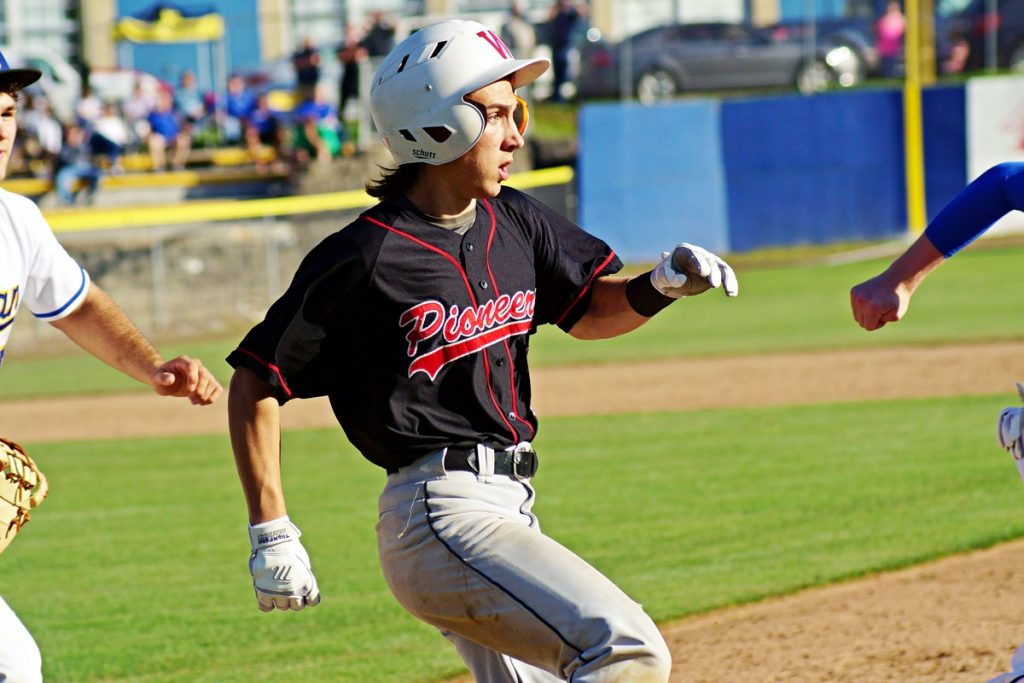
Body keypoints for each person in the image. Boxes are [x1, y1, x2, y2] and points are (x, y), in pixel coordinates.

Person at [226, 19, 737, 683]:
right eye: (496, 114)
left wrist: (661, 284)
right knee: (625, 649)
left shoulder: (515, 219)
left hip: (506, 503)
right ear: (435, 124)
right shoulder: (365, 256)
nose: (516, 135)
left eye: (513, 112)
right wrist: (272, 529)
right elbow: (258, 378)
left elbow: (586, 310)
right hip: (439, 512)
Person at [0, 50, 223, 683]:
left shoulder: (15, 221)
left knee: (15, 665)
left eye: (9, 112)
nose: (1, 130)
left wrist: (152, 367)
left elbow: (78, 305)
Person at [546, 0, 587, 102]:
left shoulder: (571, 14)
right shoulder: (557, 13)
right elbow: (550, 17)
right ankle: (557, 97)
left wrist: (574, 5)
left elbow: (582, 12)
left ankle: (566, 97)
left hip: (567, 48)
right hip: (557, 47)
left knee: (567, 74)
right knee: (558, 74)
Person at [53, 121, 102, 205]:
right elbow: (65, 158)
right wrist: (72, 144)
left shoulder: (85, 143)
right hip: (71, 168)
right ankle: (67, 201)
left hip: (86, 167)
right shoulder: (64, 145)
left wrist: (79, 142)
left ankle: (90, 196)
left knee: (98, 173)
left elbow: (90, 153)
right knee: (62, 176)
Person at [147, 88, 191, 171]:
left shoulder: (175, 113)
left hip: (174, 137)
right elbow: (149, 129)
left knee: (184, 140)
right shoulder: (153, 114)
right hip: (160, 137)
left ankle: (177, 165)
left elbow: (183, 127)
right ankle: (159, 167)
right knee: (155, 141)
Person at [335, 23, 368, 127]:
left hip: (359, 79)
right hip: (347, 79)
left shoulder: (361, 43)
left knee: (363, 104)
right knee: (343, 106)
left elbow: (361, 55)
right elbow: (341, 57)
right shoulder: (342, 45)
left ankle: (365, 128)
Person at [875, 0, 905, 79]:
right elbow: (880, 31)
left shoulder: (900, 19)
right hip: (885, 49)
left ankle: (891, 78)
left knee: (892, 67)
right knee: (886, 67)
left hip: (894, 49)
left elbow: (898, 32)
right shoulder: (885, 19)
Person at [291, 36, 321, 104]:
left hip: (312, 83)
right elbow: (295, 64)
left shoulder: (315, 52)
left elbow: (316, 61)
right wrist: (308, 62)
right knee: (302, 103)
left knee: (312, 103)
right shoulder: (299, 54)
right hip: (302, 83)